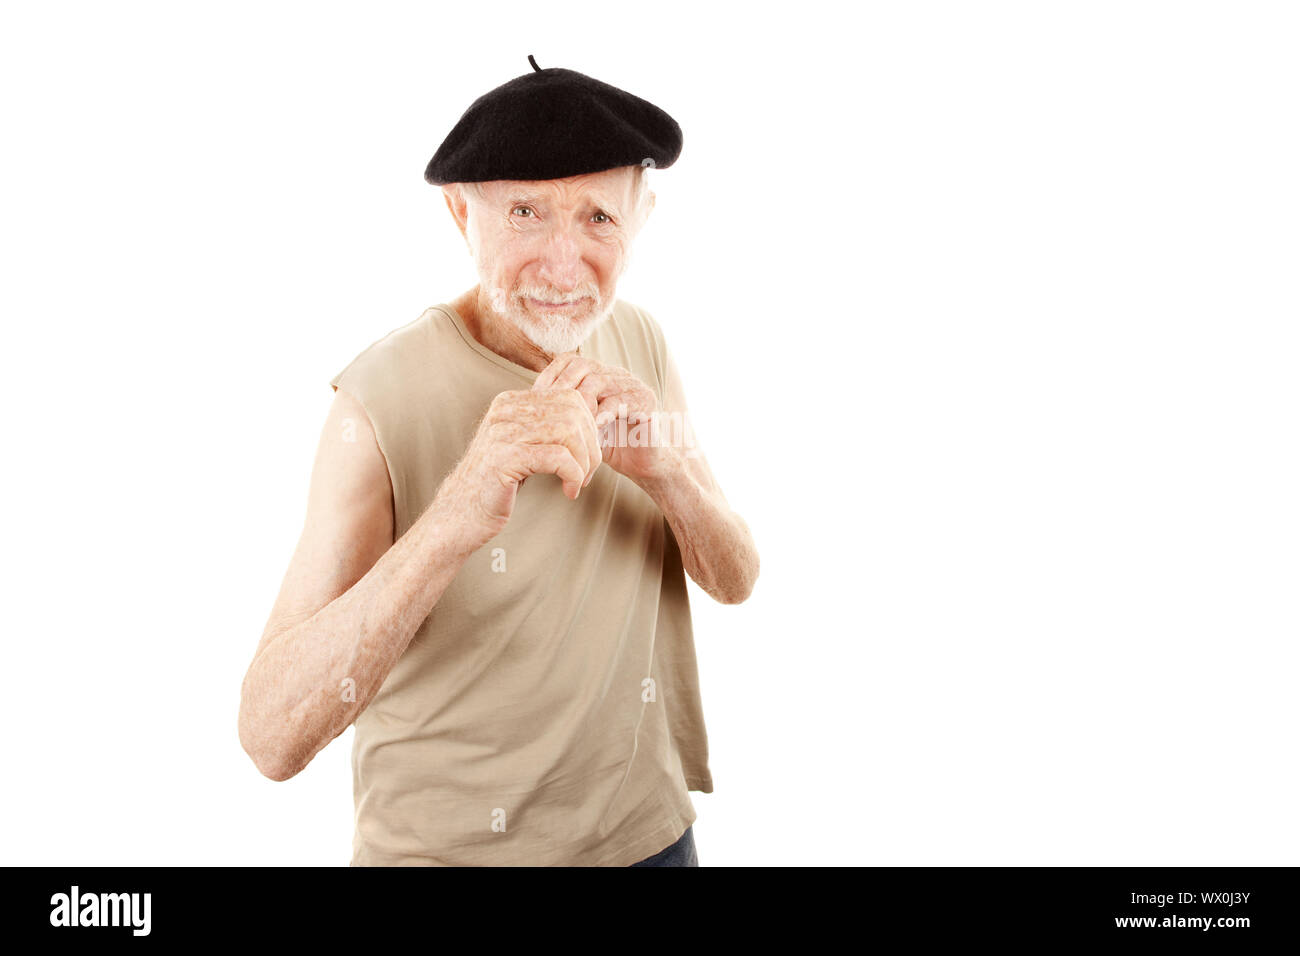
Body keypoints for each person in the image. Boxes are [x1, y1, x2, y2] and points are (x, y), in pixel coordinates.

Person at [237, 55, 759, 866]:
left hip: (651, 840)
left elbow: (735, 577)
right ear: (459, 215)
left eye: (597, 218)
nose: (562, 265)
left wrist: (670, 472)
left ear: (642, 218)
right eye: (524, 212)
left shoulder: (640, 342)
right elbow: (271, 737)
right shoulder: (377, 402)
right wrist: (458, 511)